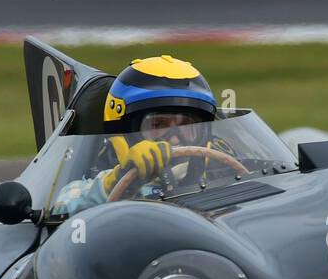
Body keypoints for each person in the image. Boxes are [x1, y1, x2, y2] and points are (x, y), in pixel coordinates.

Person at [52, 54, 232, 214]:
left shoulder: (223, 162)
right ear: (124, 130)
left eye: (186, 125)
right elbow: (60, 207)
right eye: (158, 124)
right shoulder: (99, 164)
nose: (175, 138)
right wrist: (115, 182)